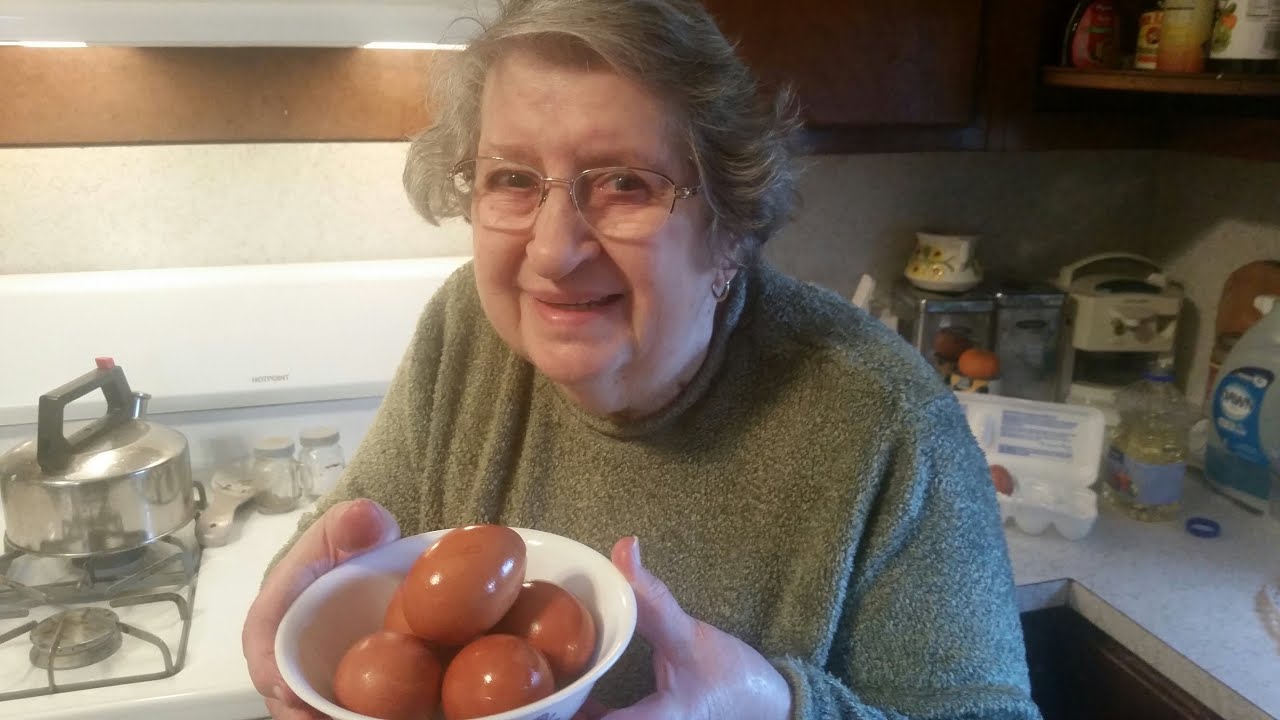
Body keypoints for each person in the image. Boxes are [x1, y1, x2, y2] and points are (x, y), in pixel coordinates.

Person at [242, 1, 1042, 718]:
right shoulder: (466, 329)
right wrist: (303, 624)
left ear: (728, 230)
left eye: (625, 183)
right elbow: (347, 564)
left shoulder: (887, 421)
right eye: (513, 178)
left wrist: (775, 709)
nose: (552, 252)